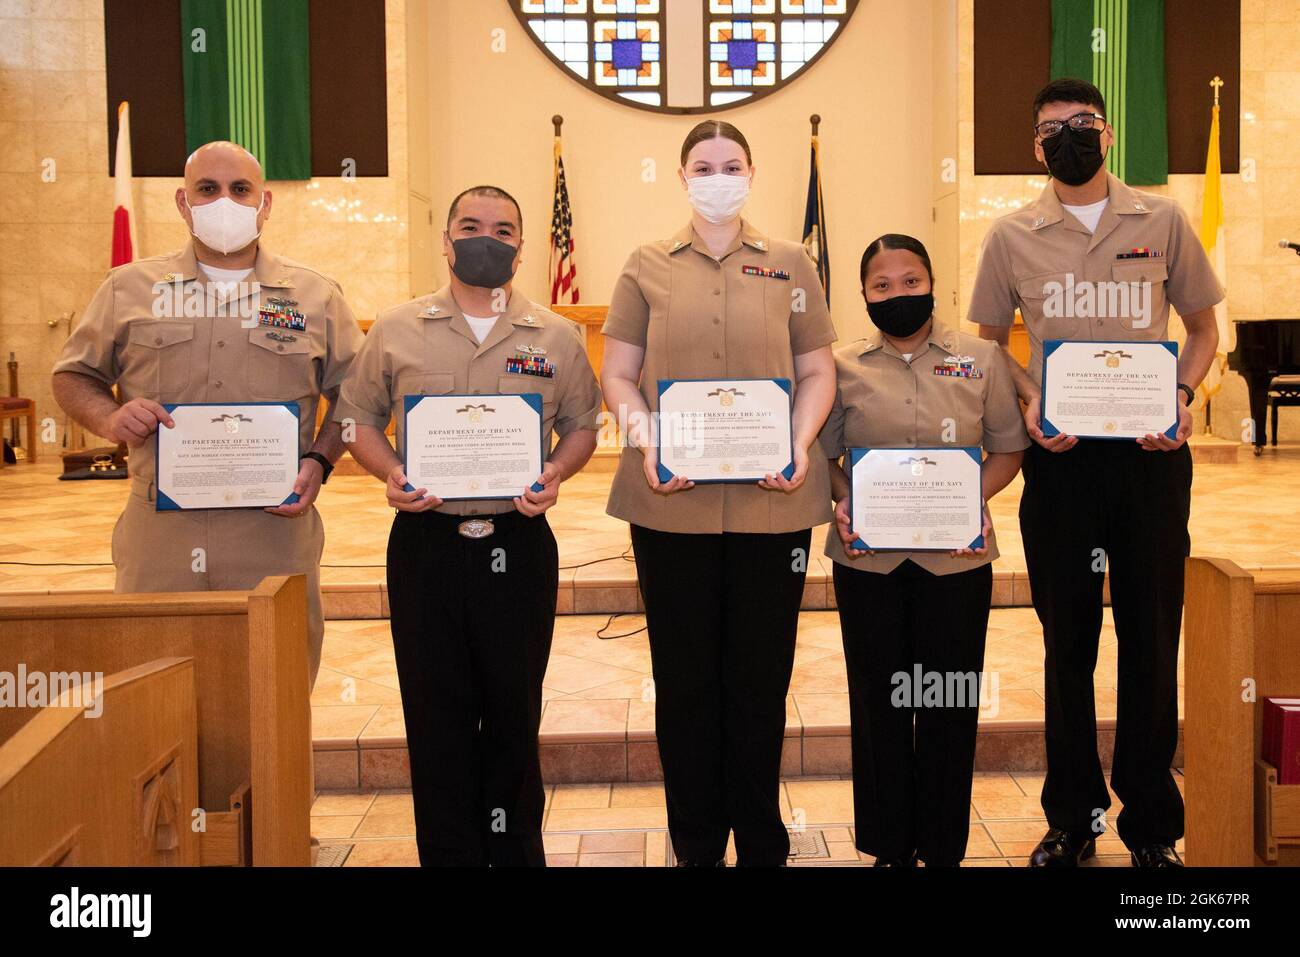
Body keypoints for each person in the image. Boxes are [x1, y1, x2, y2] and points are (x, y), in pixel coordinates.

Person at [968, 78, 1224, 868]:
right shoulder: (1011, 236)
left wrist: (1181, 394)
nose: (1069, 137)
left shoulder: (1163, 218)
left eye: (1084, 124)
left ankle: (1152, 824)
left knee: (1151, 638)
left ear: (1108, 136)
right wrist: (1031, 399)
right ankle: (1072, 817)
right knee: (1066, 642)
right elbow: (985, 342)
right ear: (1035, 146)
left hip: (1150, 462)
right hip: (1063, 465)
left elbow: (1205, 328)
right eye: (1054, 129)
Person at [335, 185, 601, 866]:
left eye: (504, 228)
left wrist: (557, 474)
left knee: (515, 710)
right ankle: (449, 855)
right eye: (472, 225)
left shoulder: (558, 336)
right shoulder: (395, 330)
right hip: (427, 544)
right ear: (447, 239)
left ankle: (515, 855)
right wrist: (389, 470)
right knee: (435, 714)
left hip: (519, 540)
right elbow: (357, 421)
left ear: (520, 242)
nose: (489, 237)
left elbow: (580, 427)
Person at [600, 120, 837, 866]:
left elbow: (818, 372)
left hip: (776, 502)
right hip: (672, 504)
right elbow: (617, 375)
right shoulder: (645, 265)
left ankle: (761, 839)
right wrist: (648, 442)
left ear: (752, 172)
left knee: (761, 678)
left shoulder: (792, 262)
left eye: (731, 164)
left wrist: (799, 444)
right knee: (686, 680)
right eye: (703, 166)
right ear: (682, 177)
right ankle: (696, 841)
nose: (717, 175)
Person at [52, 140, 363, 691]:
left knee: (276, 687)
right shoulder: (129, 288)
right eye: (208, 189)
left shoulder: (314, 295)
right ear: (182, 201)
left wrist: (320, 459)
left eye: (240, 190)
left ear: (265, 203)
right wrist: (108, 419)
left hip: (273, 529)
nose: (225, 201)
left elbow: (354, 397)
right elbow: (74, 375)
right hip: (160, 533)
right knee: (152, 689)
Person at [821, 234, 1028, 867]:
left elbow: (1008, 449)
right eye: (882, 286)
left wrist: (968, 499)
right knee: (879, 701)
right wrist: (845, 501)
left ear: (933, 282)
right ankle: (887, 846)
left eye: (910, 281)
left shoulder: (982, 358)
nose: (897, 294)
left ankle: (941, 847)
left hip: (955, 561)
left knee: (947, 698)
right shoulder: (839, 364)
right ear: (863, 295)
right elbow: (823, 453)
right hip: (869, 559)